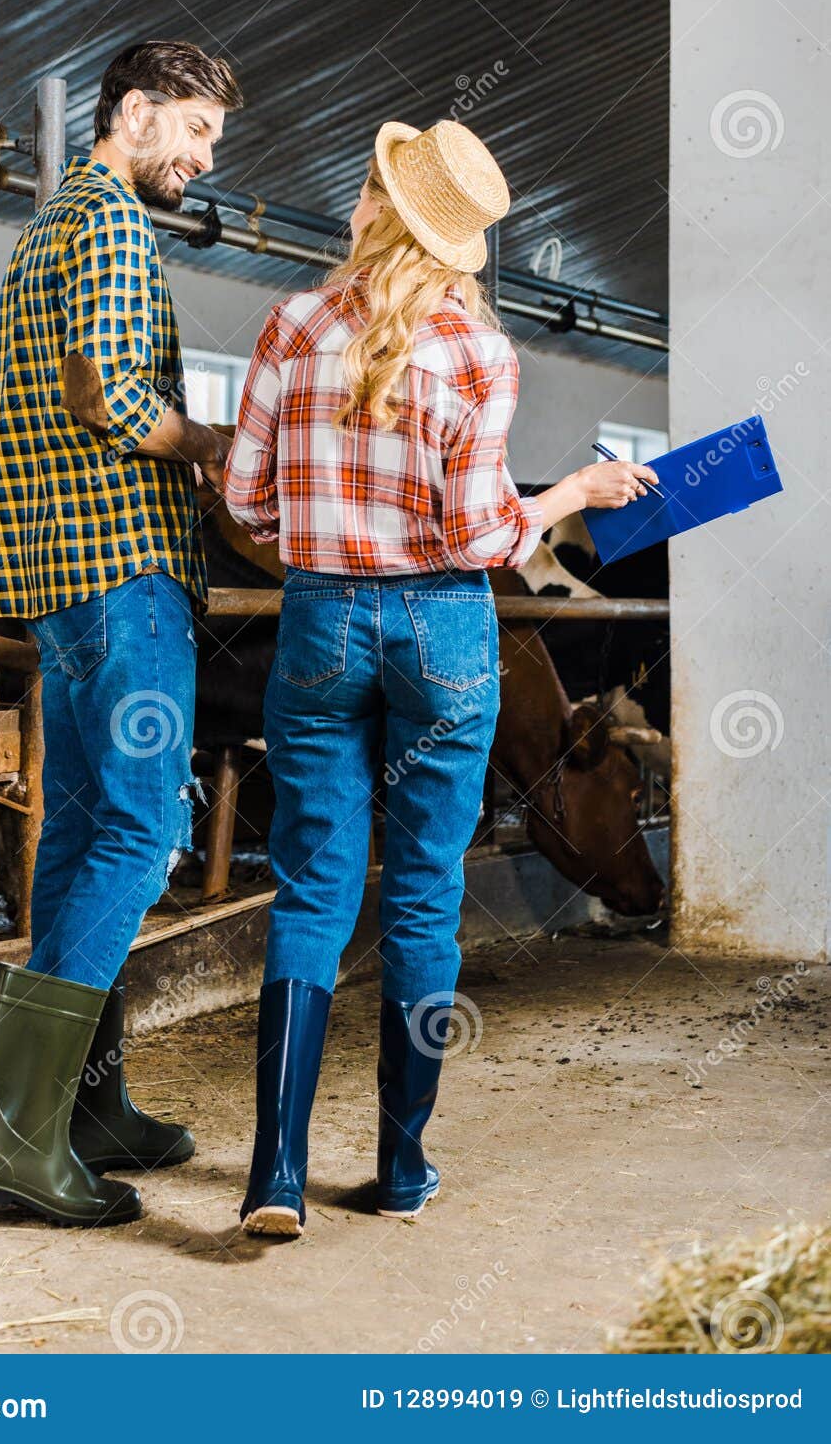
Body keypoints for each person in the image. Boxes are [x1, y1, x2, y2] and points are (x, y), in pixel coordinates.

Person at [224, 118, 657, 1236]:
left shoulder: (292, 324)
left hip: (320, 618)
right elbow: (480, 535)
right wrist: (576, 498)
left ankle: (274, 1176)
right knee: (423, 897)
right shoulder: (478, 350)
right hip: (442, 635)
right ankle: (402, 1167)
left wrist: (320, 529)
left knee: (313, 892)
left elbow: (241, 503)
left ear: (376, 204)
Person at [0, 40, 241, 1227]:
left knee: (77, 836)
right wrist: (224, 449)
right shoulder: (113, 222)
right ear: (133, 112)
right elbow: (106, 396)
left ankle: (84, 1103)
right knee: (141, 828)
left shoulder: (51, 227)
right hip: (123, 573)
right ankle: (18, 1135)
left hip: (58, 583)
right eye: (197, 130)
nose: (206, 157)